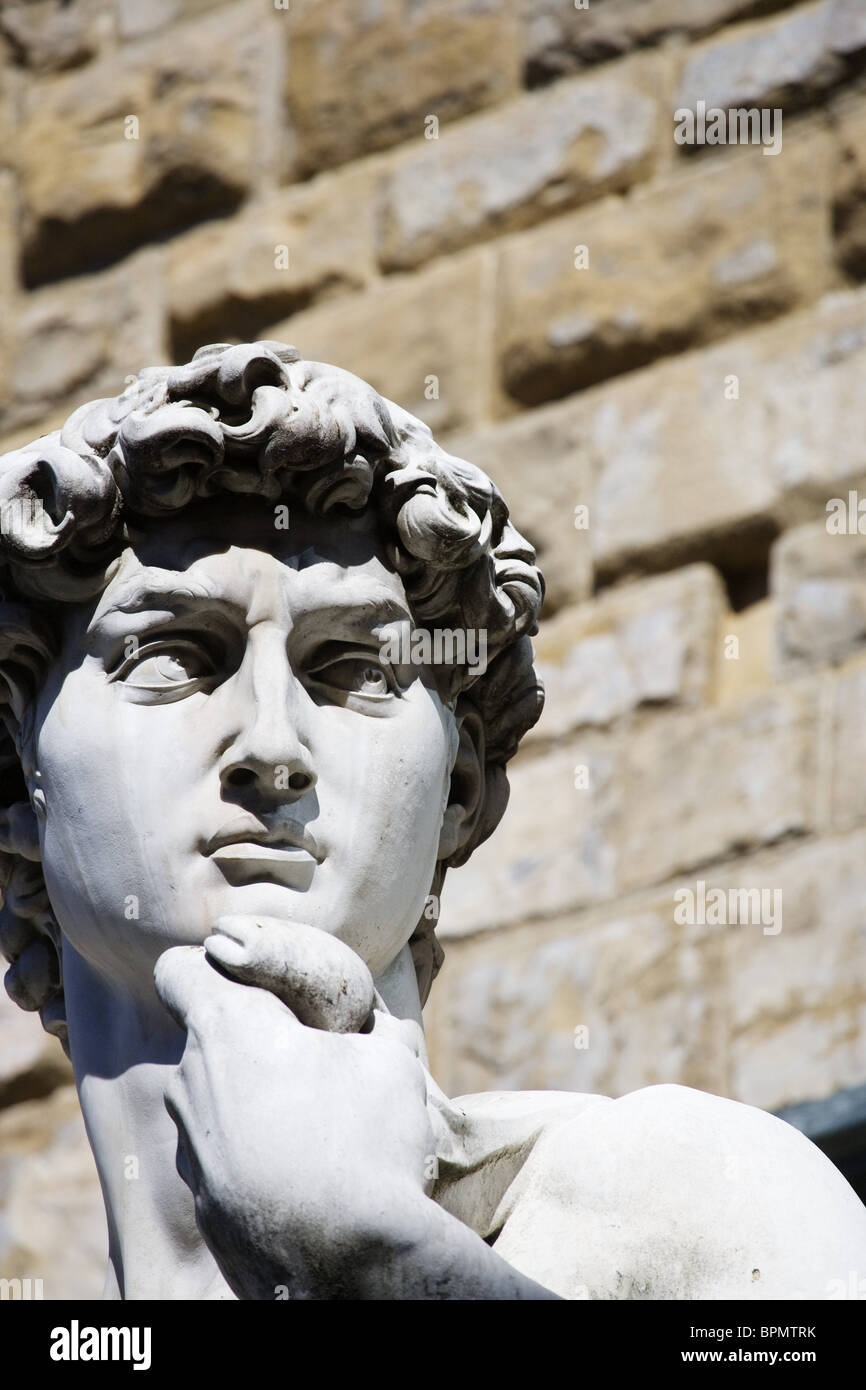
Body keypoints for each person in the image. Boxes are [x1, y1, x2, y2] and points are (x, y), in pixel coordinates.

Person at [0, 341, 863, 1300]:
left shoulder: (693, 1206)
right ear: (16, 782)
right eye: (174, 656)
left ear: (455, 791)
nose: (272, 746)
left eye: (356, 670)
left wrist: (373, 1259)